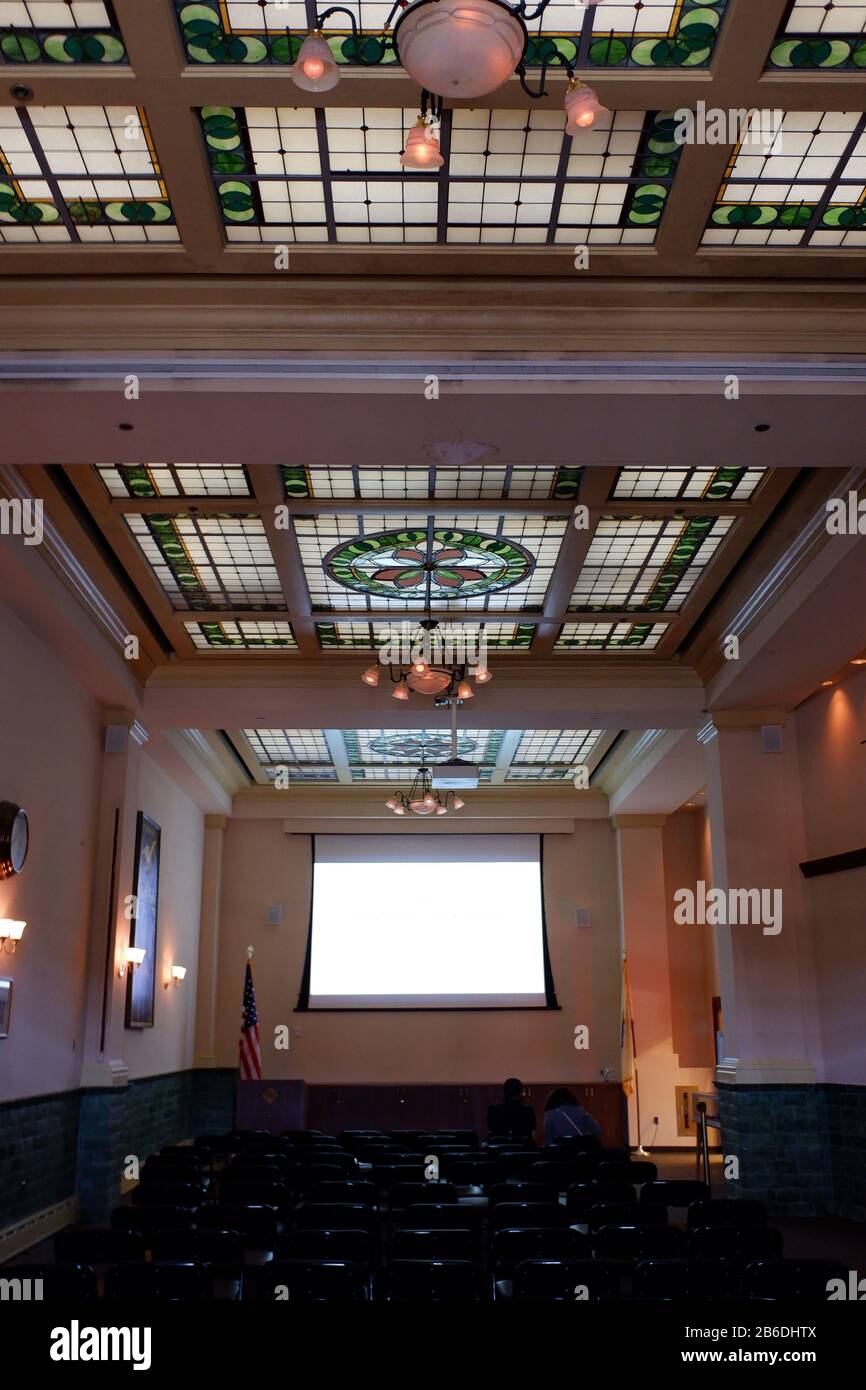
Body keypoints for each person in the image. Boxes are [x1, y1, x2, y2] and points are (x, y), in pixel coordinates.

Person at [487, 1077, 536, 1141]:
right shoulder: (528, 1110)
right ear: (520, 1092)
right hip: (523, 1148)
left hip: (499, 1148)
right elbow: (531, 1129)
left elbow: (492, 1129)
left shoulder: (493, 1109)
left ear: (504, 1092)